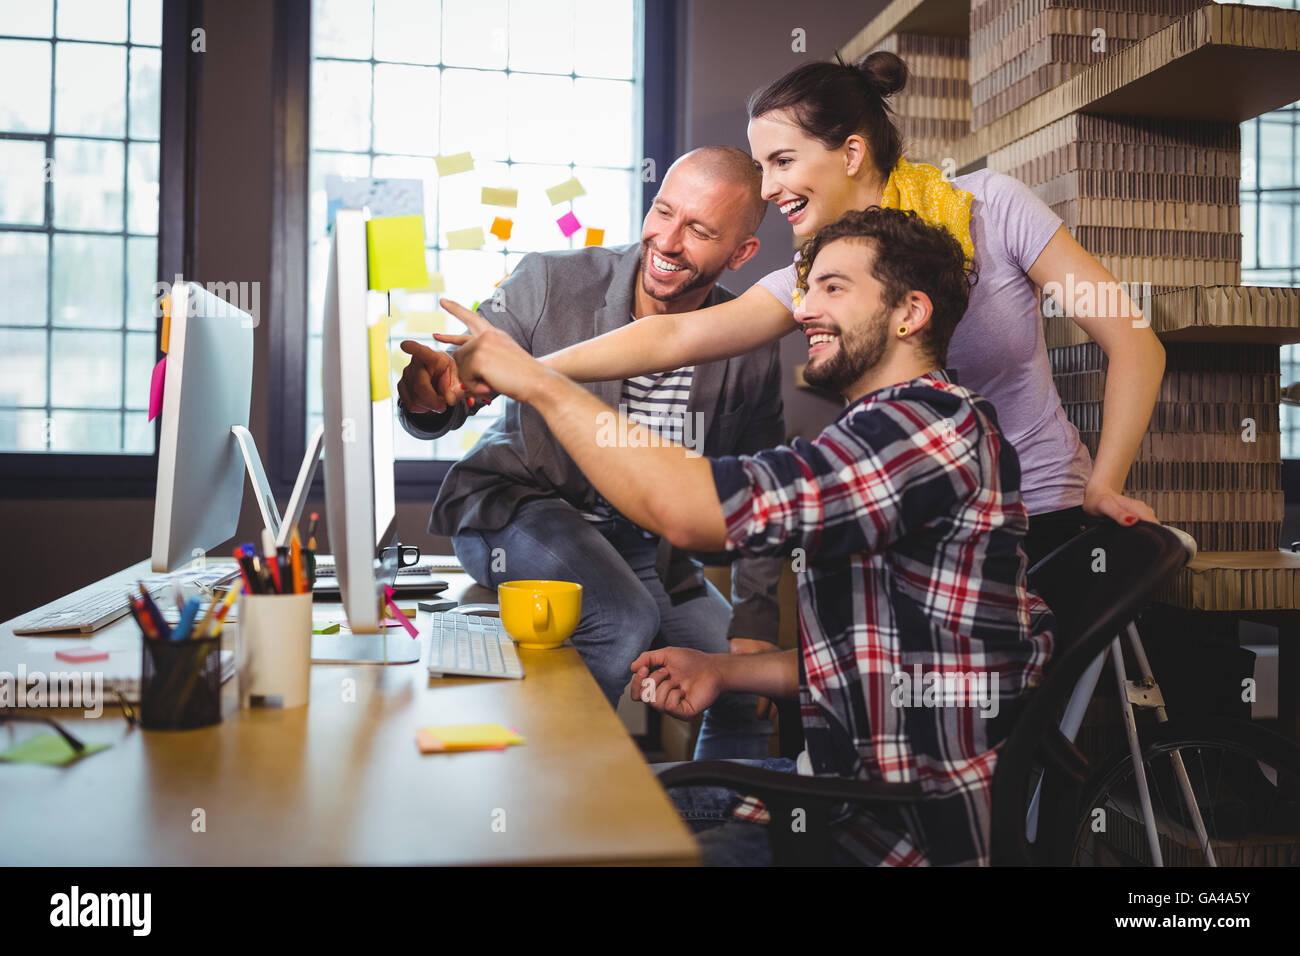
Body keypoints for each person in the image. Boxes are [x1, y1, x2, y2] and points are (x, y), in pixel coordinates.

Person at [440, 206, 1054, 866]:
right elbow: (881, 661)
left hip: (888, 835)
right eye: (807, 287)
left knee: (578, 838)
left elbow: (691, 509)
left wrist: (537, 378)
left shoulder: (921, 433)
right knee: (588, 824)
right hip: (828, 796)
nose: (805, 309)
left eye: (834, 288)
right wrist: (724, 669)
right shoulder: (892, 430)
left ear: (909, 313)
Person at [451, 51, 1166, 567]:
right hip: (914, 508)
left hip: (1041, 506)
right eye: (761, 166)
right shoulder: (820, 271)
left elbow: (1134, 341)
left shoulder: (993, 207)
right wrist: (522, 367)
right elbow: (675, 339)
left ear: (851, 152)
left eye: (782, 162)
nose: (764, 188)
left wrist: (1104, 484)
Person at [396, 147, 784, 759]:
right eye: (662, 211)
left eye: (700, 230)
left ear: (741, 253)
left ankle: (716, 826)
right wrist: (432, 394)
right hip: (520, 509)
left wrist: (756, 628)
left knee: (736, 670)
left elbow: (763, 495)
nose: (668, 240)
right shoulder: (551, 281)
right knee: (621, 618)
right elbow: (462, 378)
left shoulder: (750, 342)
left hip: (642, 548)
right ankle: (557, 794)